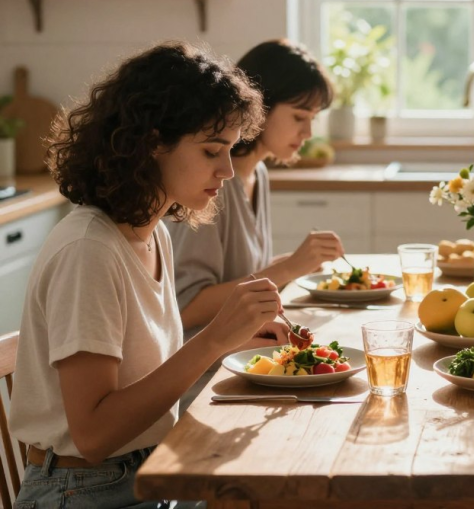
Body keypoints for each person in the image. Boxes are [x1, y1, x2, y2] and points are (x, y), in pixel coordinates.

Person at [10, 43, 287, 508]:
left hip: (146, 472)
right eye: (211, 151)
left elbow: (139, 375)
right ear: (153, 142)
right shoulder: (89, 251)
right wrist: (212, 341)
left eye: (230, 150)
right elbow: (94, 434)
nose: (226, 169)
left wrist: (233, 337)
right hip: (84, 491)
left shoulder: (150, 233)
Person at [168, 39, 344, 339]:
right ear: (260, 105)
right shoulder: (213, 183)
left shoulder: (257, 173)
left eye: (312, 119)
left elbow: (241, 278)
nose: (308, 133)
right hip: (203, 368)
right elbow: (185, 309)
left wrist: (296, 264)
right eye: (299, 117)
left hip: (243, 349)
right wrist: (287, 268)